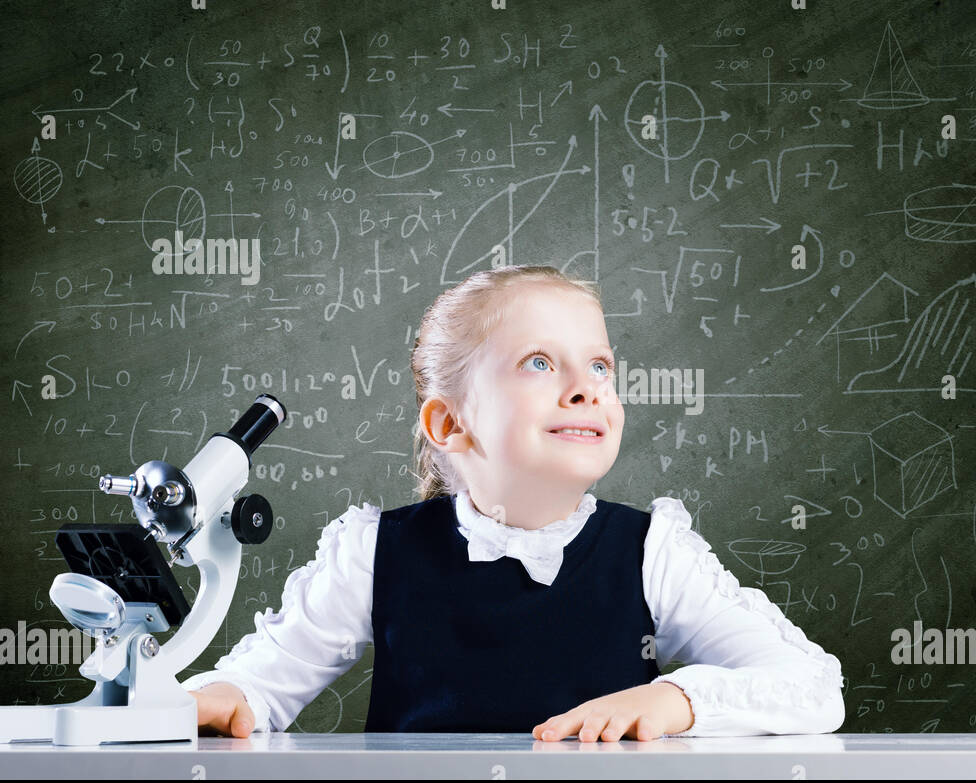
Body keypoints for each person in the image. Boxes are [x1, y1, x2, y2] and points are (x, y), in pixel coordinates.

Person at [185, 265, 844, 741]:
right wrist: (209, 699)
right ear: (450, 425)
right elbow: (261, 685)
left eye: (599, 366)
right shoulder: (374, 552)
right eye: (538, 363)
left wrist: (680, 700)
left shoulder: (652, 553)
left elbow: (811, 686)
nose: (585, 388)